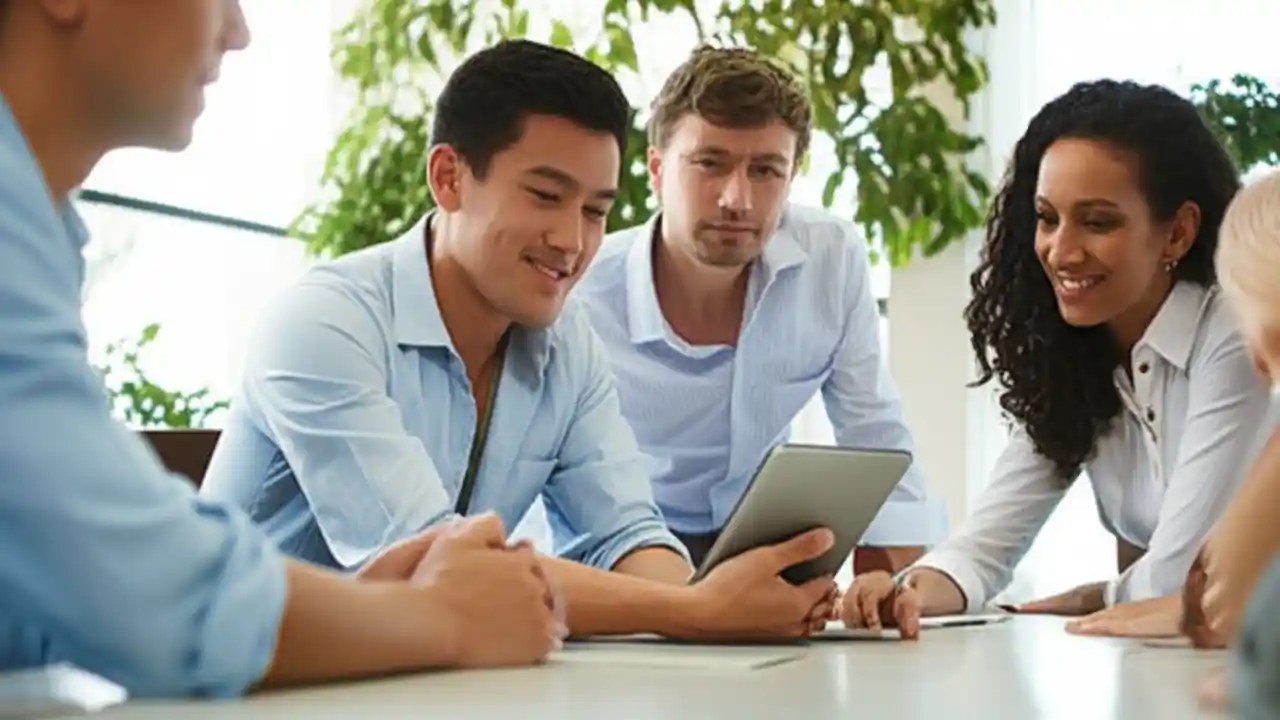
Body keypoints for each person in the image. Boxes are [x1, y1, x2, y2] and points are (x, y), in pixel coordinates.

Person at [0, 0, 569, 699]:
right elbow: (139, 593)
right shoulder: (323, 313)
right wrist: (440, 616)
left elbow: (53, 589)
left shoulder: (38, 226)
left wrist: (361, 608)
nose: (238, 32)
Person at [201, 39, 837, 640]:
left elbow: (623, 532)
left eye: (595, 211)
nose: (572, 241)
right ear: (449, 177)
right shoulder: (322, 322)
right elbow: (438, 565)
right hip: (242, 685)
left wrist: (729, 602)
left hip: (422, 679)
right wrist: (696, 609)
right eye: (545, 195)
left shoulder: (565, 342)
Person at [839, 79, 1273, 636]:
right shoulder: (1075, 355)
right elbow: (984, 547)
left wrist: (1100, 593)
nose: (1061, 251)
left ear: (1178, 233)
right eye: (1048, 218)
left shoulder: (1237, 333)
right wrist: (906, 593)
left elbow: (1182, 577)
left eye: (1098, 222)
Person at [574, 45, 942, 573]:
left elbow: (875, 435)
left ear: (792, 177)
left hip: (763, 541)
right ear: (656, 170)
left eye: (766, 170)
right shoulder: (581, 291)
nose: (736, 199)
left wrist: (888, 582)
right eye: (709, 164)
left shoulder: (830, 258)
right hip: (618, 544)